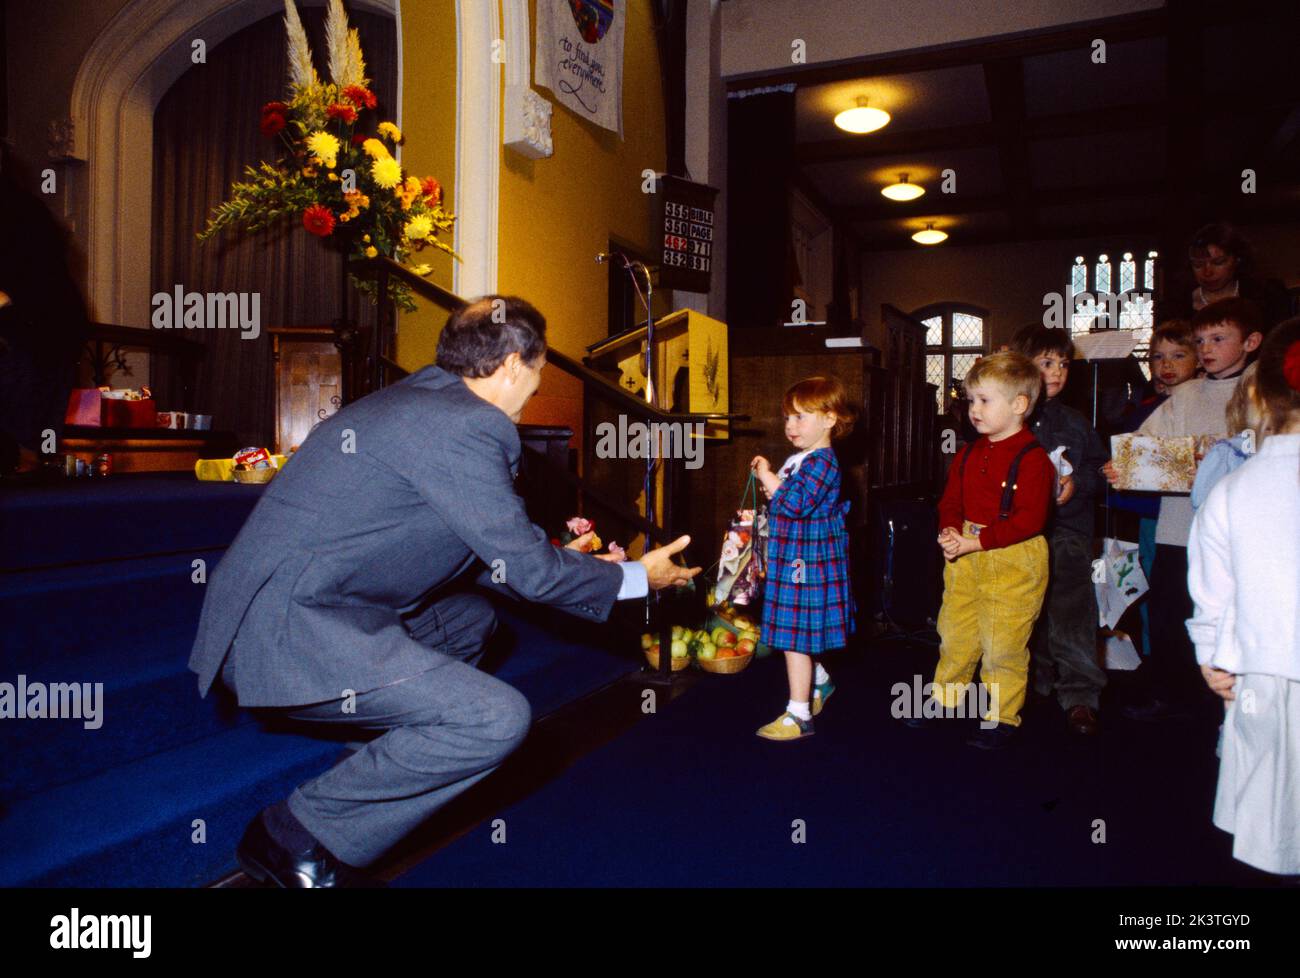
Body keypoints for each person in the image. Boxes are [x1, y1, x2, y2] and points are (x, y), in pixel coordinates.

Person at [188, 296, 701, 887]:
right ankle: (291, 832)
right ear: (513, 364)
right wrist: (636, 576)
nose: (535, 390)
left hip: (312, 601)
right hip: (287, 626)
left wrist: (573, 565)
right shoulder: (470, 425)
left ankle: (383, 763)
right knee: (495, 719)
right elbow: (527, 572)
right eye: (536, 374)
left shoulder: (422, 401)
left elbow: (490, 555)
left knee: (469, 622)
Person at [1104, 298, 1265, 721]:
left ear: (1251, 342)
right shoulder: (1186, 394)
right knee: (1172, 608)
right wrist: (1122, 464)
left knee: (1232, 612)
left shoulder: (1262, 390)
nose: (1207, 349)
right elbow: (1143, 448)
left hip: (1239, 529)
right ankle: (1170, 690)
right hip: (1178, 527)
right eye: (1201, 341)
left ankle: (1230, 698)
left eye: (1218, 339)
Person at [1187, 318, 1300, 879]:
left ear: (1258, 395)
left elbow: (1212, 589)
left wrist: (1211, 655)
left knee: (1271, 802)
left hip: (1261, 672)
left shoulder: (1234, 489)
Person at [910, 351, 1055, 749]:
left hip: (1014, 556)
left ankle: (1001, 713)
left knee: (1003, 641)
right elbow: (949, 502)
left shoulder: (1034, 459)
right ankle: (946, 697)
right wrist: (950, 531)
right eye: (970, 400)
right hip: (966, 553)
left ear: (1019, 405)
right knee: (955, 631)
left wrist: (978, 541)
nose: (973, 410)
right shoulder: (968, 452)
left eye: (984, 401)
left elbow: (1030, 521)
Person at [1011, 325, 1109, 736]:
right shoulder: (1008, 418)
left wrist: (1078, 483)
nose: (1057, 372)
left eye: (1064, 363)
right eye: (1046, 363)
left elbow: (1100, 470)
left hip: (1067, 529)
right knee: (1019, 614)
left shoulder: (1076, 421)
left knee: (1071, 611)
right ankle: (1030, 683)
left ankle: (1081, 695)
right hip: (1016, 534)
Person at [749, 376, 857, 742]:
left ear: (830, 419)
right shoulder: (801, 459)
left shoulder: (824, 463)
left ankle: (799, 715)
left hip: (807, 565)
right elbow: (783, 500)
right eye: (787, 418)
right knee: (795, 634)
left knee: (795, 639)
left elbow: (794, 503)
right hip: (792, 560)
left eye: (801, 417)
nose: (790, 426)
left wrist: (767, 475)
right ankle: (821, 682)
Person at [1164, 222, 1291, 329]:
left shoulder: (1267, 297)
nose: (1207, 272)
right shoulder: (1176, 306)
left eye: (1218, 262)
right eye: (1198, 265)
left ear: (1237, 260)